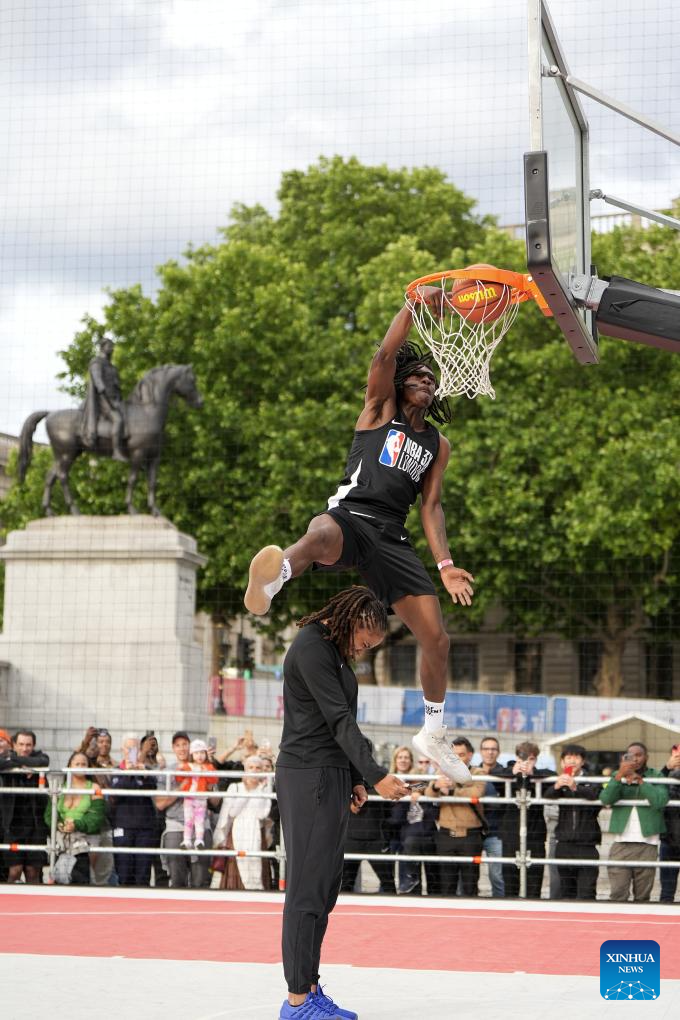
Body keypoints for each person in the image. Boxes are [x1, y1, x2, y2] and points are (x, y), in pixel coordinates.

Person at [244, 293, 474, 783]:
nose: (426, 382)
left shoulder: (439, 445)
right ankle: (274, 577)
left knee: (437, 637)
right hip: (352, 516)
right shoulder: (378, 410)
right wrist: (412, 306)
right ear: (400, 381)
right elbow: (384, 356)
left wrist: (445, 563)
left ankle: (433, 731)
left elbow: (431, 506)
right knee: (321, 531)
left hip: (392, 538)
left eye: (433, 380)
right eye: (419, 375)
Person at [275, 586, 410, 1020]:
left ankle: (310, 989)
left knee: (326, 887)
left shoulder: (333, 653)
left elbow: (343, 722)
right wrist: (377, 773)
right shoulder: (312, 648)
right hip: (307, 774)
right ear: (351, 619)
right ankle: (297, 1002)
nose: (363, 650)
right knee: (306, 890)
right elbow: (336, 720)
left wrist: (354, 778)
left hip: (329, 775)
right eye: (365, 641)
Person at [600, 742, 669, 903]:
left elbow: (660, 801)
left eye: (639, 755)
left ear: (647, 757)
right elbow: (606, 799)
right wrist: (619, 777)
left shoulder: (656, 775)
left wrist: (640, 781)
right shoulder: (617, 775)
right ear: (624, 757)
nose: (635, 759)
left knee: (642, 897)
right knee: (617, 894)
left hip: (648, 844)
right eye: (631, 756)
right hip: (620, 843)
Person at [426, 737, 487, 897]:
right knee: (446, 884)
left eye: (461, 754)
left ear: (470, 755)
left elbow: (476, 793)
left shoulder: (478, 772)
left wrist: (452, 790)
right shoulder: (442, 772)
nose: (457, 758)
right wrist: (435, 786)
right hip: (446, 835)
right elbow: (428, 794)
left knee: (470, 883)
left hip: (471, 836)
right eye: (454, 755)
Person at [156, 731, 213, 889]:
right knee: (177, 879)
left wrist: (208, 779)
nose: (182, 749)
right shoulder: (168, 772)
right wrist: (183, 787)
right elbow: (159, 804)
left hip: (201, 824)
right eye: (177, 745)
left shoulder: (206, 768)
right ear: (173, 748)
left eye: (185, 744)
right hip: (175, 825)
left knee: (200, 880)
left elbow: (216, 800)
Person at [544, 744, 602, 900]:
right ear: (562, 762)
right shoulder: (560, 781)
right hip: (564, 843)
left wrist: (575, 787)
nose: (572, 761)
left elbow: (597, 798)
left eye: (576, 757)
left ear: (583, 761)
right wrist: (557, 786)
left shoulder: (592, 779)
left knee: (587, 891)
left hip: (587, 845)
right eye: (568, 757)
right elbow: (547, 797)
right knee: (566, 891)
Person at [499, 741, 555, 899]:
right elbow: (493, 773)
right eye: (522, 757)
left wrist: (532, 774)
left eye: (530, 758)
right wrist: (512, 771)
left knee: (534, 884)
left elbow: (554, 775)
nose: (526, 762)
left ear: (536, 759)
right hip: (510, 835)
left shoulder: (540, 775)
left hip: (535, 836)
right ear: (516, 757)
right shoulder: (507, 771)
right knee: (510, 883)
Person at [212, 754, 273, 891]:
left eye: (258, 768)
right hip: (236, 834)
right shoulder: (235, 787)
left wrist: (258, 789)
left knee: (256, 870)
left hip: (256, 834)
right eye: (251, 767)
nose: (254, 770)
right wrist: (247, 789)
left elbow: (262, 813)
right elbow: (232, 812)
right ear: (245, 770)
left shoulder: (264, 788)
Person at [46, 751, 106, 885]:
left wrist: (77, 824)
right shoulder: (59, 787)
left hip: (86, 838)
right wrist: (58, 824)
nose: (80, 766)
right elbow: (49, 814)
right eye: (77, 763)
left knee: (82, 876)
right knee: (57, 877)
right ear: (69, 766)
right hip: (61, 837)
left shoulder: (94, 787)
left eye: (83, 764)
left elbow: (97, 817)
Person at [2, 730, 50, 884]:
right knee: (14, 870)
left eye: (28, 745)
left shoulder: (40, 756)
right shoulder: (5, 758)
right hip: (12, 826)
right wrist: (23, 763)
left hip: (36, 826)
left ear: (34, 745)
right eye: (21, 744)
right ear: (13, 745)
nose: (25, 748)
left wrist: (19, 761)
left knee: (32, 871)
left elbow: (44, 762)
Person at [110, 734, 158, 887]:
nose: (131, 752)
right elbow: (115, 794)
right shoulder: (117, 770)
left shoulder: (146, 770)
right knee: (124, 871)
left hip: (145, 827)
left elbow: (153, 788)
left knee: (143, 873)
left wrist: (143, 773)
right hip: (123, 826)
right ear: (122, 750)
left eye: (135, 748)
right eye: (128, 748)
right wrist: (127, 773)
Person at [81, 335, 128, 461]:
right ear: (102, 348)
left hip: (116, 399)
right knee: (118, 420)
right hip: (103, 400)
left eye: (112, 347)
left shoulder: (112, 367)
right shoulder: (97, 362)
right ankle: (116, 451)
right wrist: (109, 402)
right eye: (109, 346)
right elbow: (98, 382)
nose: (112, 349)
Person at [471, 735, 506, 897]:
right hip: (474, 832)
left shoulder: (505, 775)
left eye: (493, 749)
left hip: (496, 833)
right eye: (486, 749)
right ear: (480, 751)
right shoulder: (471, 773)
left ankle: (500, 906)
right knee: (470, 874)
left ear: (498, 752)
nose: (490, 752)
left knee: (496, 876)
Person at [179, 739, 218, 850]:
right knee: (188, 820)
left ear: (206, 754)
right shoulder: (187, 766)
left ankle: (199, 840)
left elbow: (214, 779)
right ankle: (186, 841)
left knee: (199, 820)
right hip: (189, 798)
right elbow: (178, 777)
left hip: (201, 798)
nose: (199, 756)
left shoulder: (209, 767)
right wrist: (182, 770)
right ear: (192, 754)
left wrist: (206, 771)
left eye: (202, 753)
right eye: (196, 753)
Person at [659, 742, 680, 903]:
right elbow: (652, 785)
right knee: (667, 892)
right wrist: (666, 768)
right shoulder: (663, 777)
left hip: (670, 838)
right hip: (669, 840)